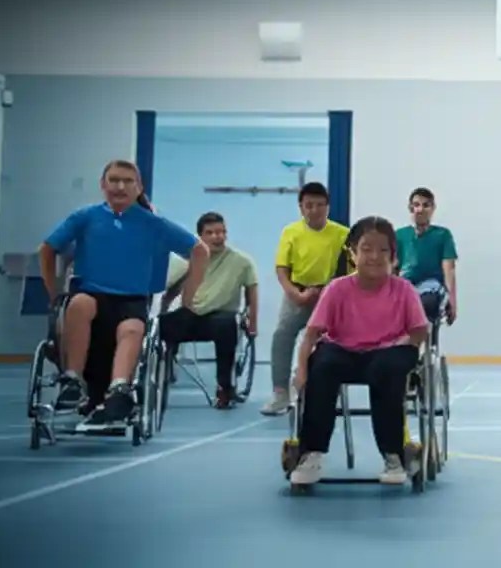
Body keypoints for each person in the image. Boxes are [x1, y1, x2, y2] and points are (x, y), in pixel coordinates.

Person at [38, 159, 210, 430]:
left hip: (131, 299)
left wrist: (187, 299)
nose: (120, 186)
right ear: (103, 185)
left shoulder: (153, 223)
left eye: (128, 181)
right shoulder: (85, 217)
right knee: (79, 304)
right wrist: (53, 292)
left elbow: (199, 251)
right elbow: (47, 249)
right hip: (90, 293)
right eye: (114, 180)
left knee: (132, 329)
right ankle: (72, 379)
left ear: (138, 187)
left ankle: (119, 389)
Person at [288, 216, 429, 487]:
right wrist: (302, 371)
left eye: (383, 250)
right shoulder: (337, 289)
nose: (375, 256)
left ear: (394, 255)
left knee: (386, 368)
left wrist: (404, 342)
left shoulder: (404, 290)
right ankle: (311, 454)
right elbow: (311, 335)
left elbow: (419, 331)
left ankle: (393, 455)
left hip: (389, 352)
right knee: (323, 364)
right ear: (352, 253)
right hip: (344, 351)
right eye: (366, 249)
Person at [262, 182, 350, 415]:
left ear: (328, 207)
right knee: (282, 334)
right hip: (298, 292)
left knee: (333, 341)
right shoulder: (291, 232)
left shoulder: (342, 234)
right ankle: (280, 392)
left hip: (330, 295)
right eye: (309, 205)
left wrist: (328, 292)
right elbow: (282, 269)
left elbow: (350, 271)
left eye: (320, 205)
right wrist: (296, 294)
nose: (315, 210)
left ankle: (323, 388)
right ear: (301, 207)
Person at [159, 212, 259, 409]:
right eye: (211, 233)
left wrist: (253, 324)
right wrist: (163, 311)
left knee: (226, 325)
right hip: (191, 315)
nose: (217, 237)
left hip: (221, 316)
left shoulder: (242, 262)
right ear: (200, 237)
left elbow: (252, 292)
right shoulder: (191, 259)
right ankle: (159, 375)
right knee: (161, 327)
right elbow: (170, 291)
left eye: (221, 232)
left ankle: (224, 387)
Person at [394, 187, 458, 325]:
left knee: (426, 303)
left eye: (425, 205)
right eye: (416, 205)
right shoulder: (400, 235)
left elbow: (449, 268)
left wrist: (452, 301)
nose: (420, 209)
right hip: (406, 286)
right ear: (411, 208)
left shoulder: (442, 235)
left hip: (431, 287)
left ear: (433, 208)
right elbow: (393, 267)